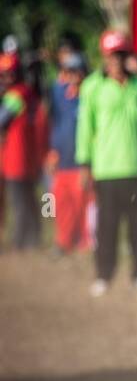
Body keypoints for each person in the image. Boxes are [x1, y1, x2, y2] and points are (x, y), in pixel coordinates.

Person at [76, 31, 137, 295]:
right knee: (107, 227)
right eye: (111, 56)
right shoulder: (92, 87)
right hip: (107, 169)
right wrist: (84, 164)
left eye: (121, 55)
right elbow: (85, 129)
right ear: (105, 57)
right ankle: (103, 275)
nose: (116, 61)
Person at [0, 50, 48, 250]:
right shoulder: (27, 92)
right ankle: (33, 239)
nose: (6, 78)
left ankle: (21, 241)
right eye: (3, 74)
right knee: (29, 200)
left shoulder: (16, 95)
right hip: (27, 158)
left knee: (20, 202)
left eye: (9, 73)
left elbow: (2, 120)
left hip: (15, 159)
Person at [46, 51, 92, 253]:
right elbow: (54, 123)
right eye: (67, 71)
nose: (71, 76)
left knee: (84, 204)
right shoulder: (59, 93)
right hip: (62, 159)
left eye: (75, 71)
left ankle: (86, 242)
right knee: (61, 203)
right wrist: (52, 151)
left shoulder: (91, 96)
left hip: (83, 162)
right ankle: (63, 241)